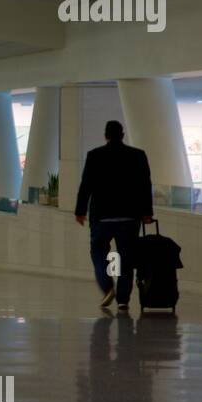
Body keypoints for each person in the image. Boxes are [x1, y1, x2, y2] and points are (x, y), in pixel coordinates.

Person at [74, 119, 154, 311]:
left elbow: (86, 186)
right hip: (129, 217)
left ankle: (108, 286)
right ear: (123, 135)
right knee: (126, 258)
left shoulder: (95, 156)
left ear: (106, 136)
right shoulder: (137, 155)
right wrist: (147, 213)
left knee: (99, 251)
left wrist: (80, 211)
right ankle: (123, 300)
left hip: (102, 217)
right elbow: (145, 185)